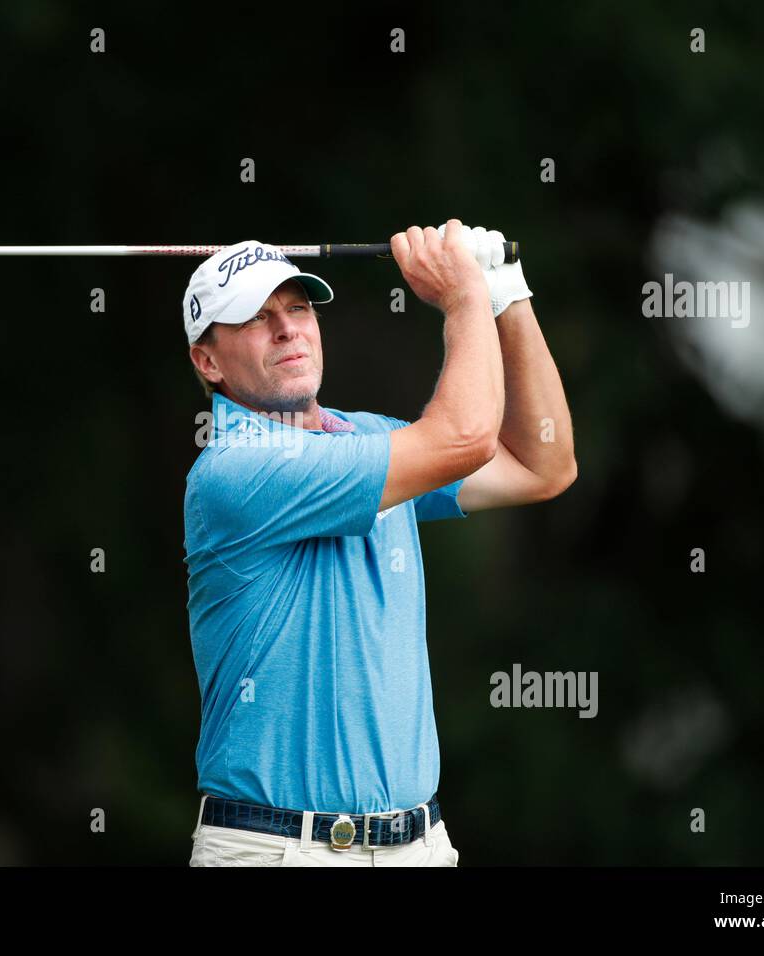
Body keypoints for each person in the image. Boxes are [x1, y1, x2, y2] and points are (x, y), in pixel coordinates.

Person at [182, 221, 576, 866]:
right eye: (254, 318)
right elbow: (463, 439)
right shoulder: (235, 469)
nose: (286, 329)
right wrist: (464, 297)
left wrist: (507, 291)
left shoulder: (365, 439)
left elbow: (544, 466)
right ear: (208, 360)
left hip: (416, 846)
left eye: (298, 307)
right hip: (277, 849)